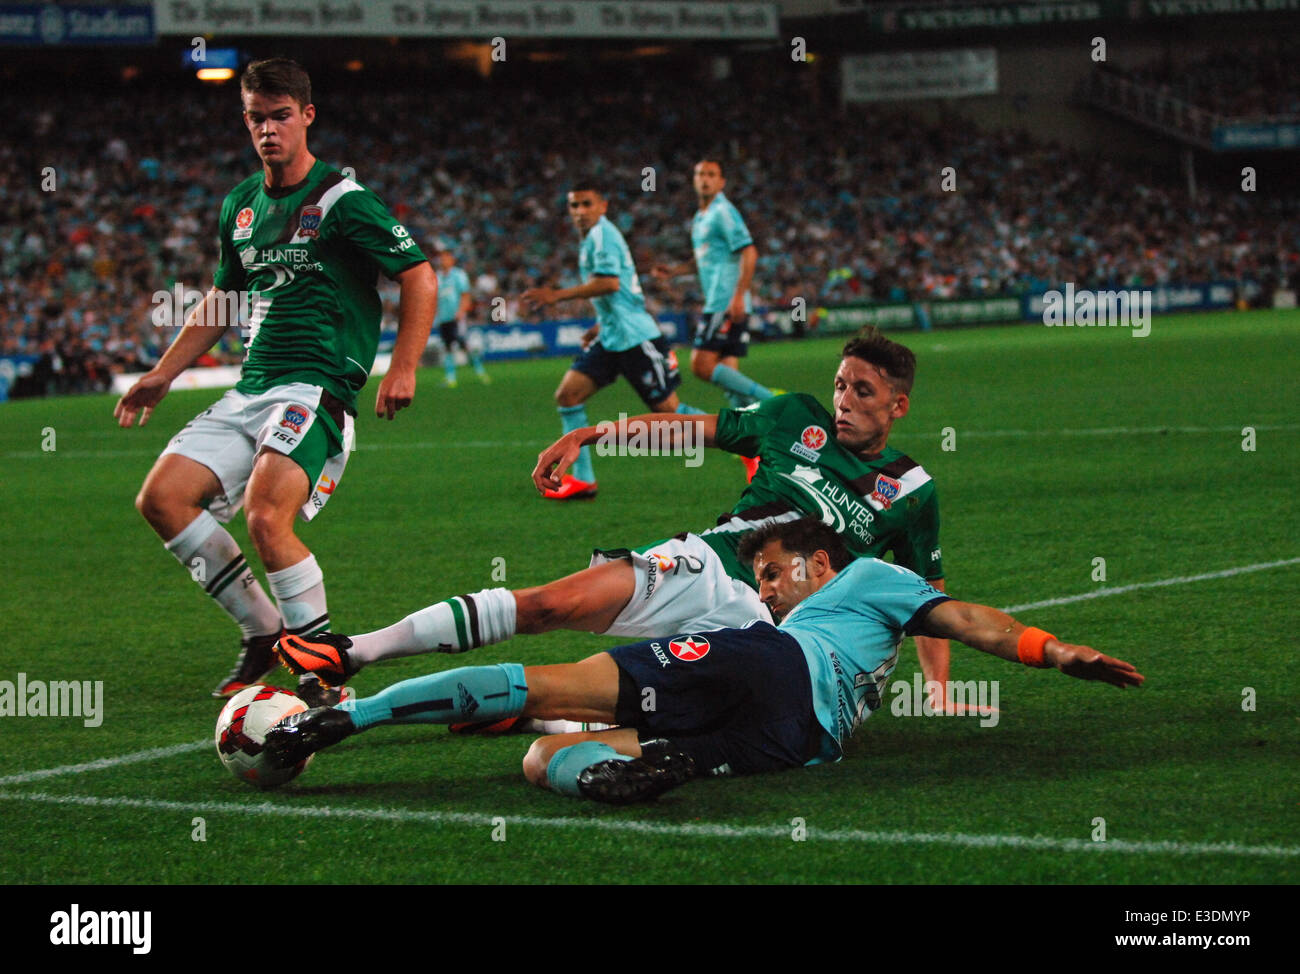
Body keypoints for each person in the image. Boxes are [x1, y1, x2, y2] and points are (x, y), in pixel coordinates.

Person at [275, 327, 955, 715]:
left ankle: (530, 720)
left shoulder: (912, 492)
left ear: (898, 406)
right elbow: (689, 432)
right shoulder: (792, 416)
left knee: (634, 700)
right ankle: (353, 651)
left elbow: (925, 597)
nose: (844, 401)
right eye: (841, 384)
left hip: (781, 636)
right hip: (711, 565)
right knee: (554, 602)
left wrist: (940, 688)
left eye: (862, 392)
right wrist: (596, 432)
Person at [265, 518, 1143, 804]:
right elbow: (962, 625)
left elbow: (969, 619)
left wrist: (1047, 648)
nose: (763, 591)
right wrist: (1052, 653)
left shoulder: (868, 575)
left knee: (546, 682)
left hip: (773, 672)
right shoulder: (864, 628)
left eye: (771, 574)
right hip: (800, 738)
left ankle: (341, 717)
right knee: (545, 758)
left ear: (822, 564)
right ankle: (634, 774)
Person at [113, 57, 437, 704]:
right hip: (252, 388)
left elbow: (419, 275)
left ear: (306, 117)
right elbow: (225, 299)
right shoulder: (240, 205)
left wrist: (403, 365)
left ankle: (318, 669)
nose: (268, 130)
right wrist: (163, 374)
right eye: (257, 118)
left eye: (281, 116)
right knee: (162, 499)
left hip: (315, 386)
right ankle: (262, 630)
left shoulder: (344, 201)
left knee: (266, 516)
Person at [520, 179, 704, 500]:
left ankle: (747, 440)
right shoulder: (593, 238)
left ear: (603, 205)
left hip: (636, 337)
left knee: (669, 413)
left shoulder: (603, 235)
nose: (579, 211)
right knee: (568, 395)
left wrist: (556, 295)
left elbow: (609, 284)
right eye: (574, 205)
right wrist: (600, 325)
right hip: (612, 335)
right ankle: (584, 480)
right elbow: (620, 290)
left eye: (586, 204)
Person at [652, 159, 776, 410]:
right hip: (722, 299)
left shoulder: (722, 211)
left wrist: (739, 296)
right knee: (728, 375)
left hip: (725, 300)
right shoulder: (701, 216)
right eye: (700, 174)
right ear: (694, 180)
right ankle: (749, 438)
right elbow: (704, 258)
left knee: (701, 365)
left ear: (721, 182)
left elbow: (749, 252)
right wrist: (675, 271)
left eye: (711, 175)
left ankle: (773, 401)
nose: (705, 179)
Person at [433, 245, 488, 387]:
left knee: (463, 345)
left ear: (452, 260)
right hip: (443, 318)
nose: (442, 260)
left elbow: (465, 295)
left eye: (445, 257)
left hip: (457, 317)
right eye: (441, 257)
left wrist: (461, 312)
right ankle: (451, 378)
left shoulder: (458, 275)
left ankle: (480, 371)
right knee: (447, 347)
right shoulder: (437, 277)